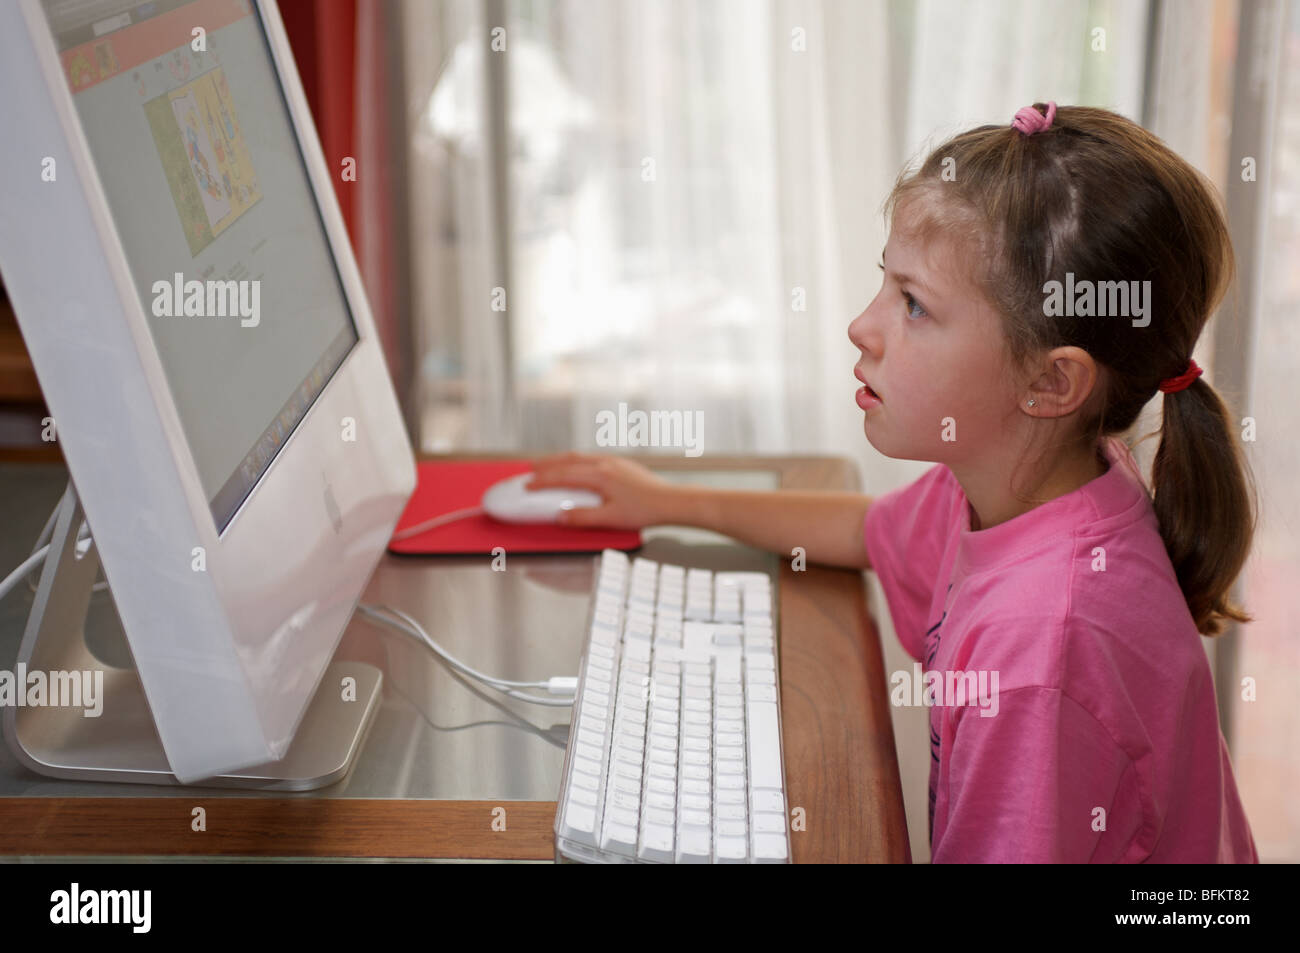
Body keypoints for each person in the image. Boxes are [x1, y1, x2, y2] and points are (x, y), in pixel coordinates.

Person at [526, 102, 1259, 863]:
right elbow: (864, 531)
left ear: (1050, 381)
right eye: (887, 283)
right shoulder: (1012, 485)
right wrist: (670, 502)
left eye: (913, 305)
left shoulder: (1041, 650)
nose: (861, 327)